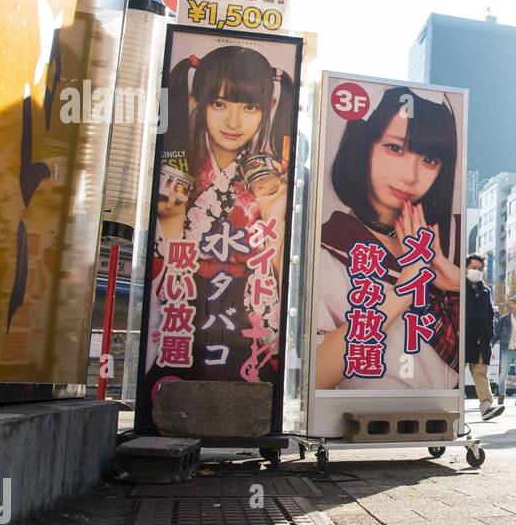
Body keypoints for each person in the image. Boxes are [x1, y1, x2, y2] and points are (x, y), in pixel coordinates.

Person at [149, 46, 294, 386]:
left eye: (249, 107)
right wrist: (170, 224)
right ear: (195, 100)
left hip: (248, 325)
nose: (233, 121)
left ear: (267, 109)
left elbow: (285, 278)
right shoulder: (179, 170)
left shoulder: (272, 179)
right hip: (186, 316)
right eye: (219, 104)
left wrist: (277, 219)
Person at [314, 86, 462, 391]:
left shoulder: (453, 237)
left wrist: (458, 283)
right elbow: (315, 374)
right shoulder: (326, 248)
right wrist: (409, 283)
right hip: (353, 422)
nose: (410, 175)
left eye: (430, 160)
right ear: (363, 144)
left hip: (436, 420)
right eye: (395, 148)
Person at [463, 254, 503, 421]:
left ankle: (486, 407)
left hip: (481, 340)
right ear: (465, 268)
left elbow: (490, 313)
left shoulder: (485, 290)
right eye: (473, 268)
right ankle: (450, 408)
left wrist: (490, 335)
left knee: (480, 372)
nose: (476, 272)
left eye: (480, 269)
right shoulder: (458, 286)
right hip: (462, 339)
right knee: (454, 375)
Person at [494, 295, 516, 406]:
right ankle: (501, 394)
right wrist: (491, 342)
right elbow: (497, 333)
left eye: (515, 303)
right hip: (507, 349)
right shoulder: (504, 319)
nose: (512, 305)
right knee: (503, 374)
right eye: (512, 303)